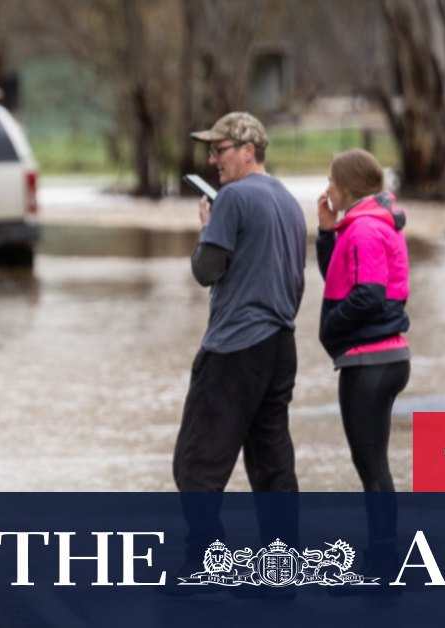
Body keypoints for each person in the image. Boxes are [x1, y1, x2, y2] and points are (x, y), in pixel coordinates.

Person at [173, 112, 306, 494]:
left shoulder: (232, 197)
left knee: (195, 469)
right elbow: (295, 282)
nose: (212, 159)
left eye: (220, 150)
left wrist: (206, 227)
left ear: (248, 151)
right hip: (281, 346)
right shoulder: (289, 202)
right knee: (272, 468)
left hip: (235, 347)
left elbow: (206, 270)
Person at [316, 148, 410, 579]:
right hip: (378, 358)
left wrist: (331, 328)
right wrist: (326, 233)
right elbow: (340, 278)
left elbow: (368, 295)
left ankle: (384, 569)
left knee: (372, 470)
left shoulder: (367, 229)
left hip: (372, 361)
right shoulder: (360, 224)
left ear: (348, 186)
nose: (327, 188)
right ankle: (381, 558)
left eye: (331, 181)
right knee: (372, 466)